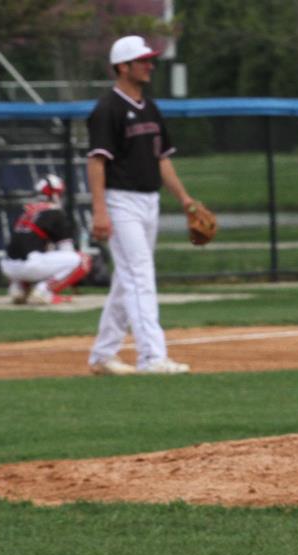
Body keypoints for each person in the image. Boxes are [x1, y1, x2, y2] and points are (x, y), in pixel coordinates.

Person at [85, 34, 201, 376]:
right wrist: (100, 211)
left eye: (150, 60)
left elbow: (162, 159)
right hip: (120, 202)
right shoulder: (108, 108)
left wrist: (185, 199)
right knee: (139, 276)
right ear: (123, 66)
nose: (150, 65)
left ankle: (103, 355)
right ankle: (152, 357)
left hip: (150, 200)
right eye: (143, 60)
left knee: (128, 279)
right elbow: (96, 162)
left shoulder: (149, 107)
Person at [0, 174, 94, 305]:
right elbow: (67, 250)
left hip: (7, 265)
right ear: (54, 194)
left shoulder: (27, 212)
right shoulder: (54, 212)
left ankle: (18, 288)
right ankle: (44, 290)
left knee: (38, 255)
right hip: (30, 264)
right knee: (83, 260)